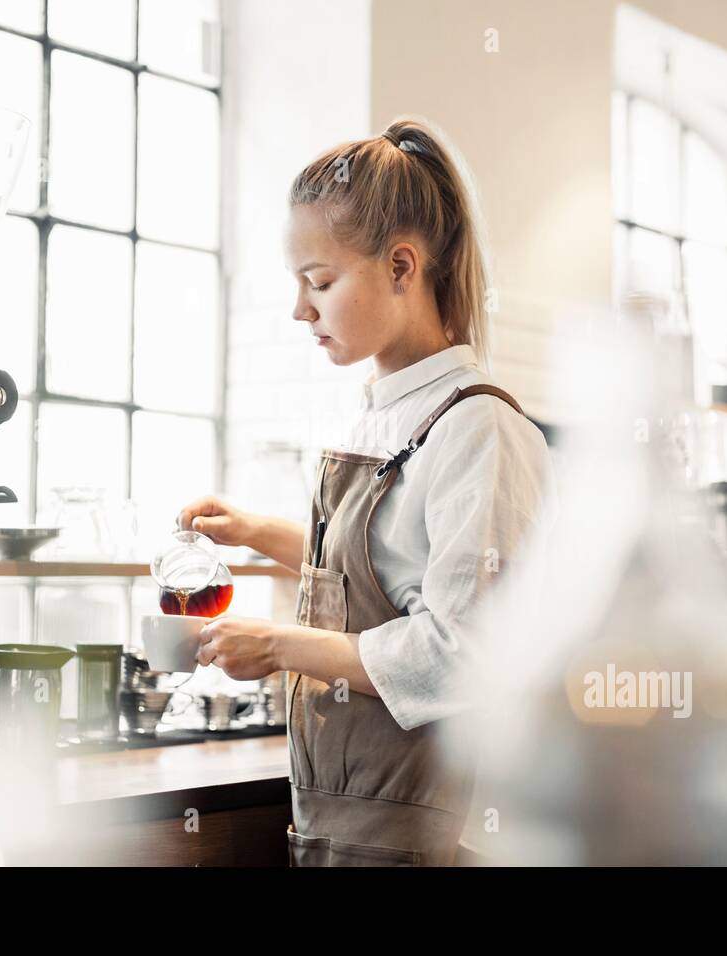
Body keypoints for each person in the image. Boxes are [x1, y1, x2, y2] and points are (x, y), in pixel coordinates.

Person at [177, 118, 557, 866]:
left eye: (319, 282)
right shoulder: (388, 409)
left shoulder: (480, 426)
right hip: (342, 817)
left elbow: (461, 651)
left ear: (402, 267)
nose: (300, 310)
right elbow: (387, 571)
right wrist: (258, 531)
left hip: (426, 829)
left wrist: (282, 646)